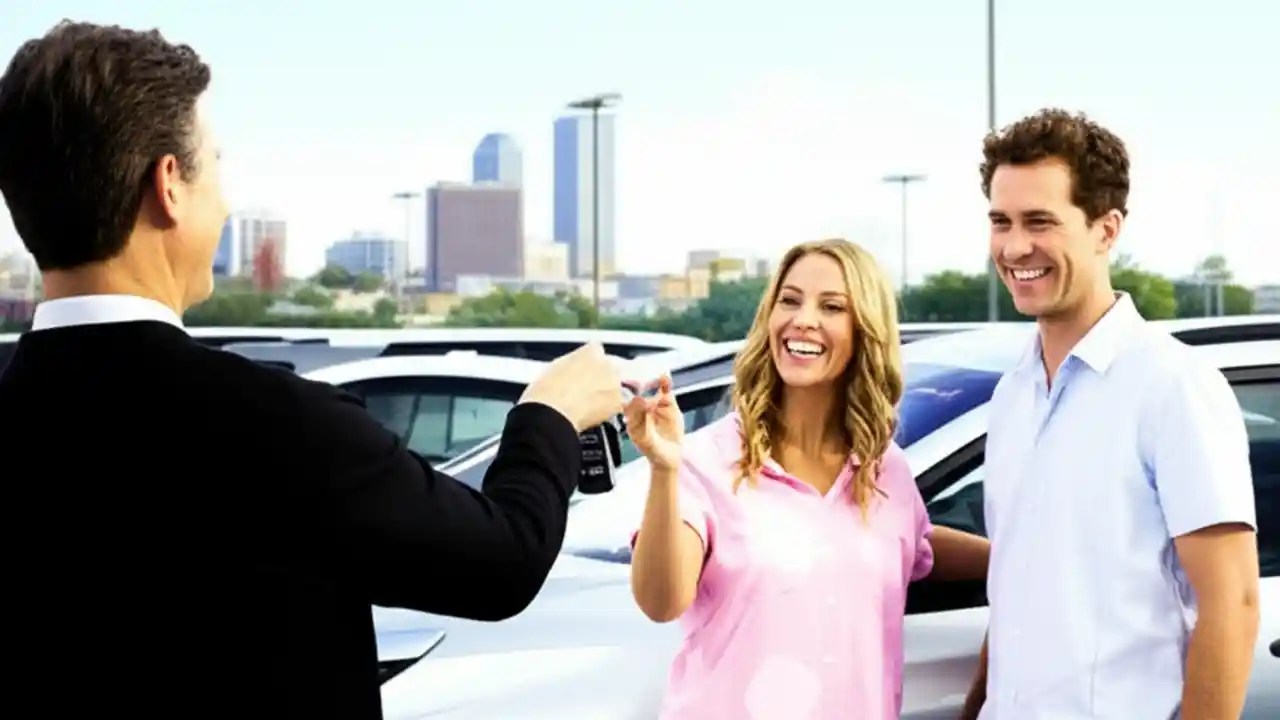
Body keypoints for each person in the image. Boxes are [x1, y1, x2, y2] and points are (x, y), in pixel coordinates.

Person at [0, 21, 624, 719]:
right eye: (216, 164)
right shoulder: (274, 424)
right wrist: (551, 415)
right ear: (168, 184)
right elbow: (500, 563)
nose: (226, 199)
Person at [959, 108, 1260, 720]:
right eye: (1001, 221)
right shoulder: (1012, 395)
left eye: (1040, 222)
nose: (1016, 247)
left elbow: (1234, 604)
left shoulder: (1171, 386)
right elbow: (1018, 586)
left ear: (1106, 228)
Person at [626, 238, 992, 719]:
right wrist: (663, 468)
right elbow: (660, 600)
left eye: (832, 306)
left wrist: (1012, 560)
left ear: (865, 330)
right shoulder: (707, 461)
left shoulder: (887, 469)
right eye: (790, 300)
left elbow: (913, 545)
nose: (803, 318)